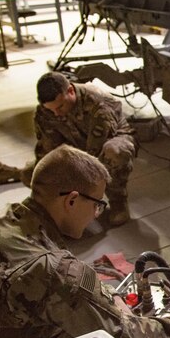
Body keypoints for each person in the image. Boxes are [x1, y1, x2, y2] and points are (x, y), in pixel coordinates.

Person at [0, 145, 170, 338]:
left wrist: (108, 296)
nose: (96, 214)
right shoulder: (56, 271)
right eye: (97, 205)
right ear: (71, 200)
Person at [29, 71, 137, 227]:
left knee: (113, 153)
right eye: (52, 110)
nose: (56, 113)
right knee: (31, 175)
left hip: (111, 140)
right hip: (77, 145)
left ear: (70, 91)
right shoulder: (46, 110)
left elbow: (94, 155)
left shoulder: (97, 102)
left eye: (60, 107)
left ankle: (118, 201)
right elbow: (47, 151)